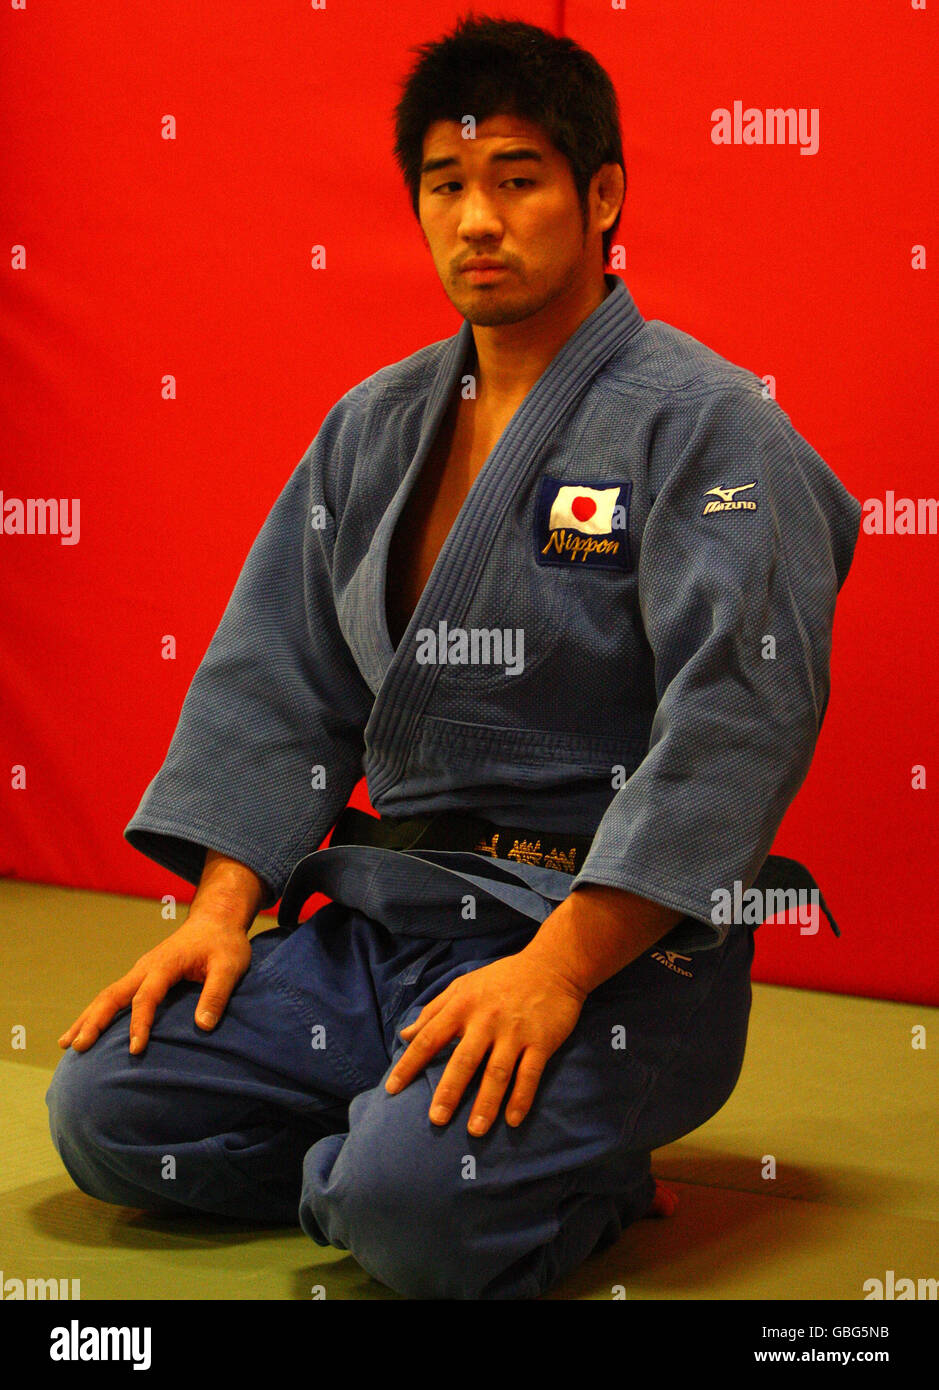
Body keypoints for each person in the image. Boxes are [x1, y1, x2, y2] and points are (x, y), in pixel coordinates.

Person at [46, 16, 862, 1300]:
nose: (476, 219)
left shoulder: (709, 431)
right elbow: (278, 680)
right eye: (446, 187)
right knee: (107, 1108)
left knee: (414, 1215)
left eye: (517, 180)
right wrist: (216, 913)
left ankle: (468, 1166)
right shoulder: (371, 428)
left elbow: (737, 722)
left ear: (602, 196)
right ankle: (399, 1145)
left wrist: (556, 970)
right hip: (393, 927)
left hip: (610, 948)